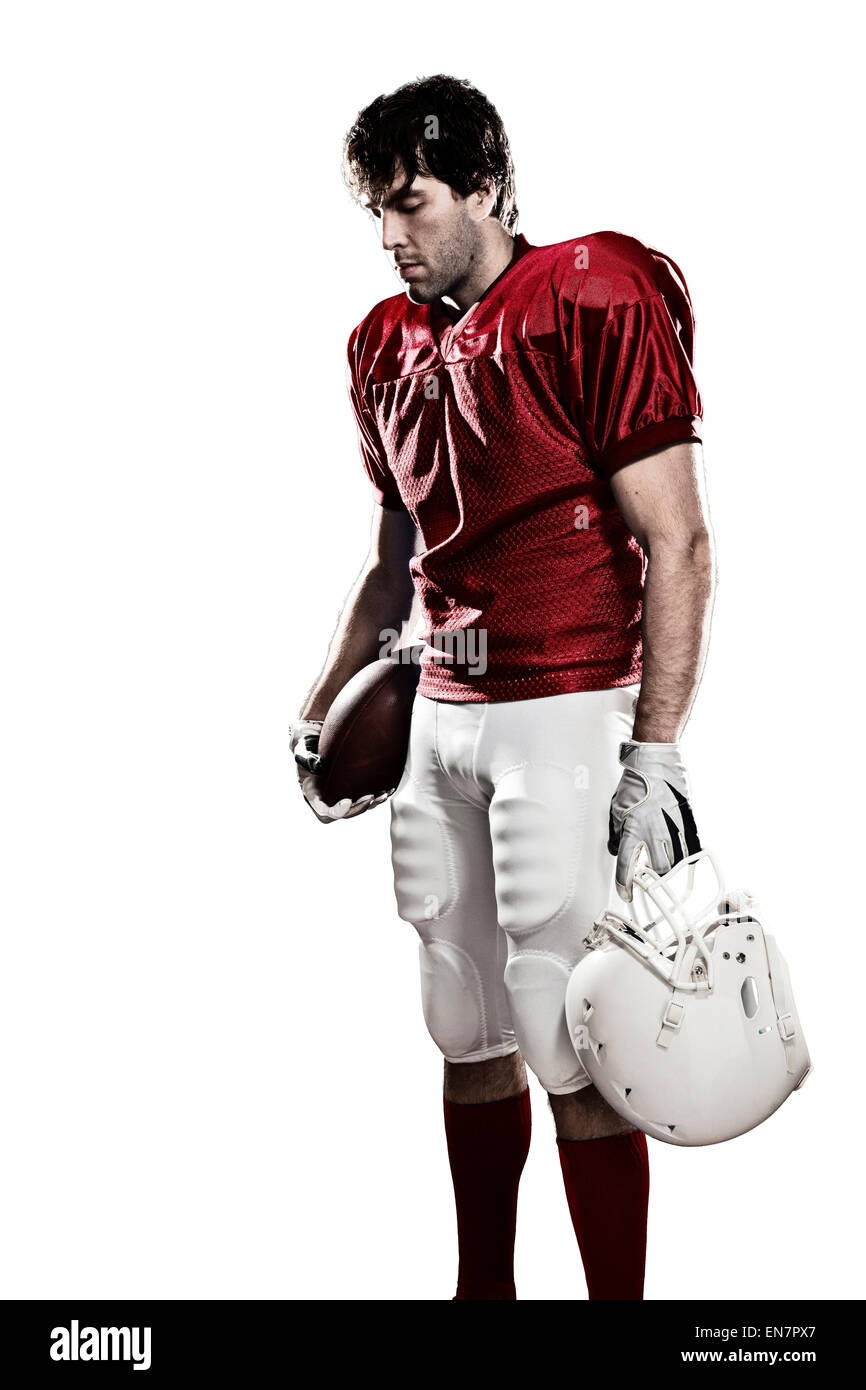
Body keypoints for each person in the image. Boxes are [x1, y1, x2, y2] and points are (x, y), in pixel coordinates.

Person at [290, 74, 714, 1301]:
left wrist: (656, 750)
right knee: (459, 1010)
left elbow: (678, 541)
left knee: (568, 1022)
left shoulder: (593, 289)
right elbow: (389, 563)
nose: (388, 234)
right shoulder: (381, 343)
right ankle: (484, 1299)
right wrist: (320, 708)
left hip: (564, 709)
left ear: (484, 184)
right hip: (440, 711)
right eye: (375, 210)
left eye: (409, 203)